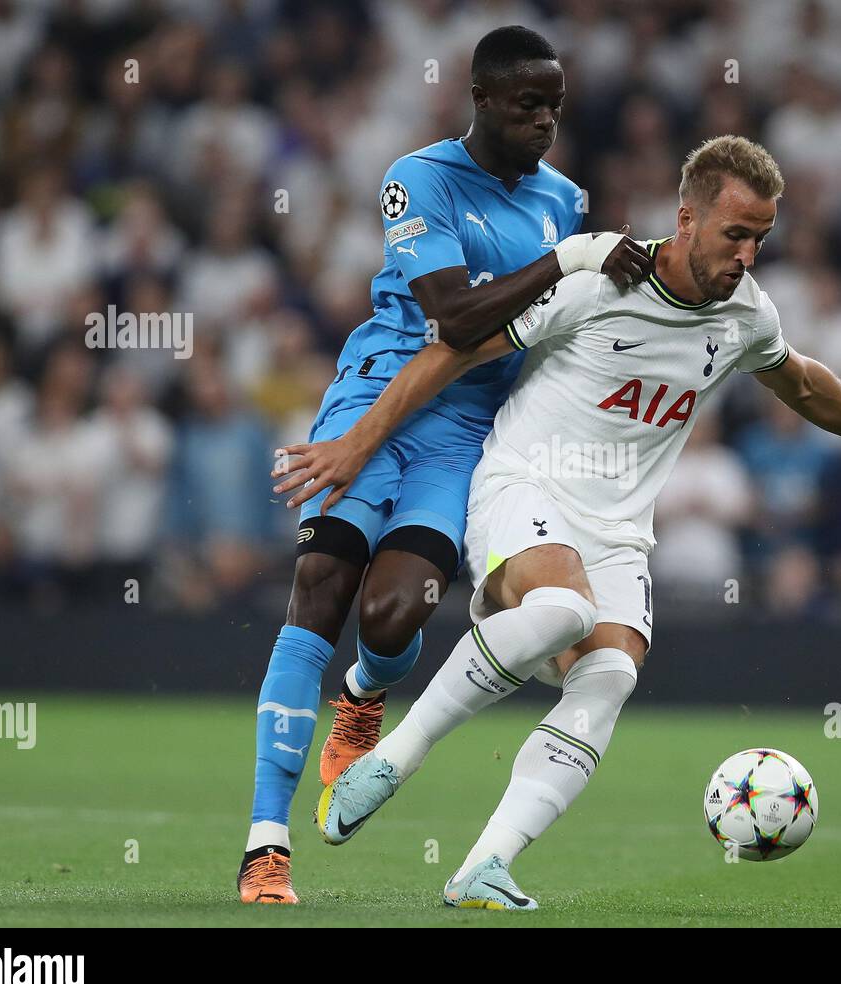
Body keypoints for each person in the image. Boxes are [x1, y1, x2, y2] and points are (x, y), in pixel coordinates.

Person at [283, 135, 841, 909]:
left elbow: (799, 381)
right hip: (523, 486)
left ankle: (483, 868)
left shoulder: (743, 314)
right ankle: (392, 759)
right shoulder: (602, 284)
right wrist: (356, 441)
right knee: (562, 610)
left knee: (608, 677)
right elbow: (455, 351)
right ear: (687, 218)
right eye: (734, 233)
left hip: (619, 529)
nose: (747, 254)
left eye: (761, 239)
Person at [237, 25, 652, 905]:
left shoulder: (563, 198)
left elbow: (547, 337)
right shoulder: (415, 179)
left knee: (391, 621)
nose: (545, 120)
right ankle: (266, 842)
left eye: (556, 106)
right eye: (528, 104)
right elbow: (456, 318)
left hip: (466, 435)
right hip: (376, 405)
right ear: (483, 99)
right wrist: (568, 258)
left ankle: (364, 690)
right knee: (321, 583)